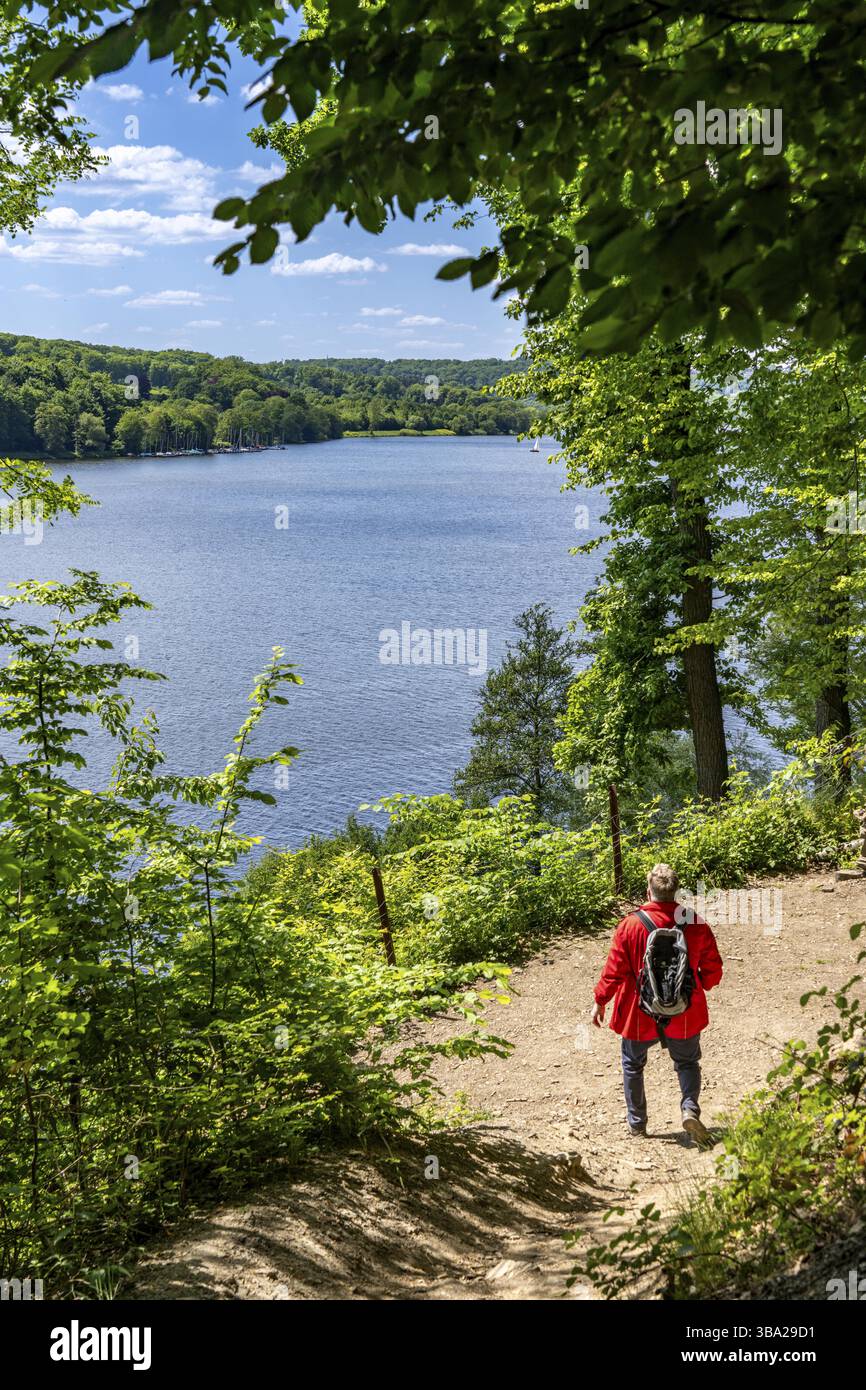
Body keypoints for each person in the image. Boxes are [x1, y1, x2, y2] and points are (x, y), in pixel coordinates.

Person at [590, 863, 723, 1145]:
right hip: (684, 1011)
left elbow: (614, 970)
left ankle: (637, 1124)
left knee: (633, 1064)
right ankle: (689, 1109)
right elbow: (713, 971)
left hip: (640, 1013)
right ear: (675, 892)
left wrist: (601, 1000)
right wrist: (702, 984)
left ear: (648, 891)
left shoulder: (630, 925)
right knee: (687, 1062)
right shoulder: (695, 922)